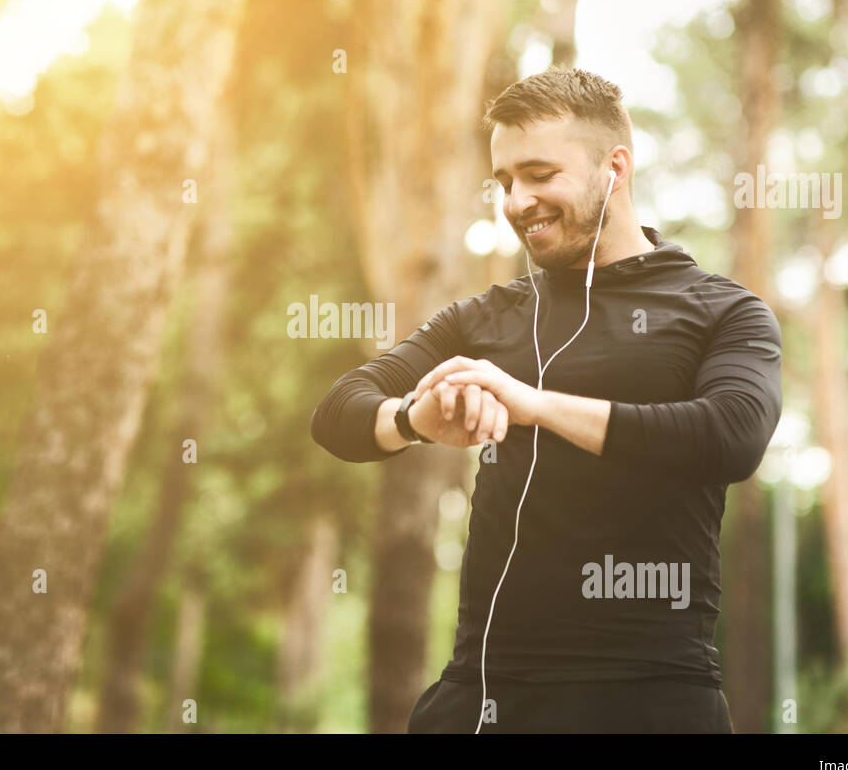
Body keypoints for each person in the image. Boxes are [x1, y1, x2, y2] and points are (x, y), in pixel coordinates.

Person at [309, 66, 783, 733]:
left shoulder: (723, 311)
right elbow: (338, 411)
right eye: (504, 181)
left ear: (614, 168)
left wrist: (533, 405)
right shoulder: (485, 317)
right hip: (482, 697)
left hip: (653, 698)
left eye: (538, 174)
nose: (516, 200)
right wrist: (413, 419)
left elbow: (731, 435)